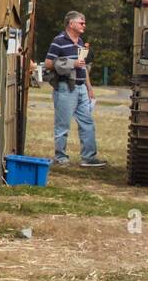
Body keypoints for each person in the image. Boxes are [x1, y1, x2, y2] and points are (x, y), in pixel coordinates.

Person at [44, 11, 107, 167]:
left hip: (81, 89)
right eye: (81, 23)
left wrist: (89, 88)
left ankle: (89, 158)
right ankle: (61, 158)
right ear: (71, 24)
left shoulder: (81, 42)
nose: (84, 25)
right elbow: (48, 63)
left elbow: (83, 67)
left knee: (87, 123)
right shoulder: (58, 41)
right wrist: (71, 63)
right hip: (65, 88)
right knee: (63, 125)